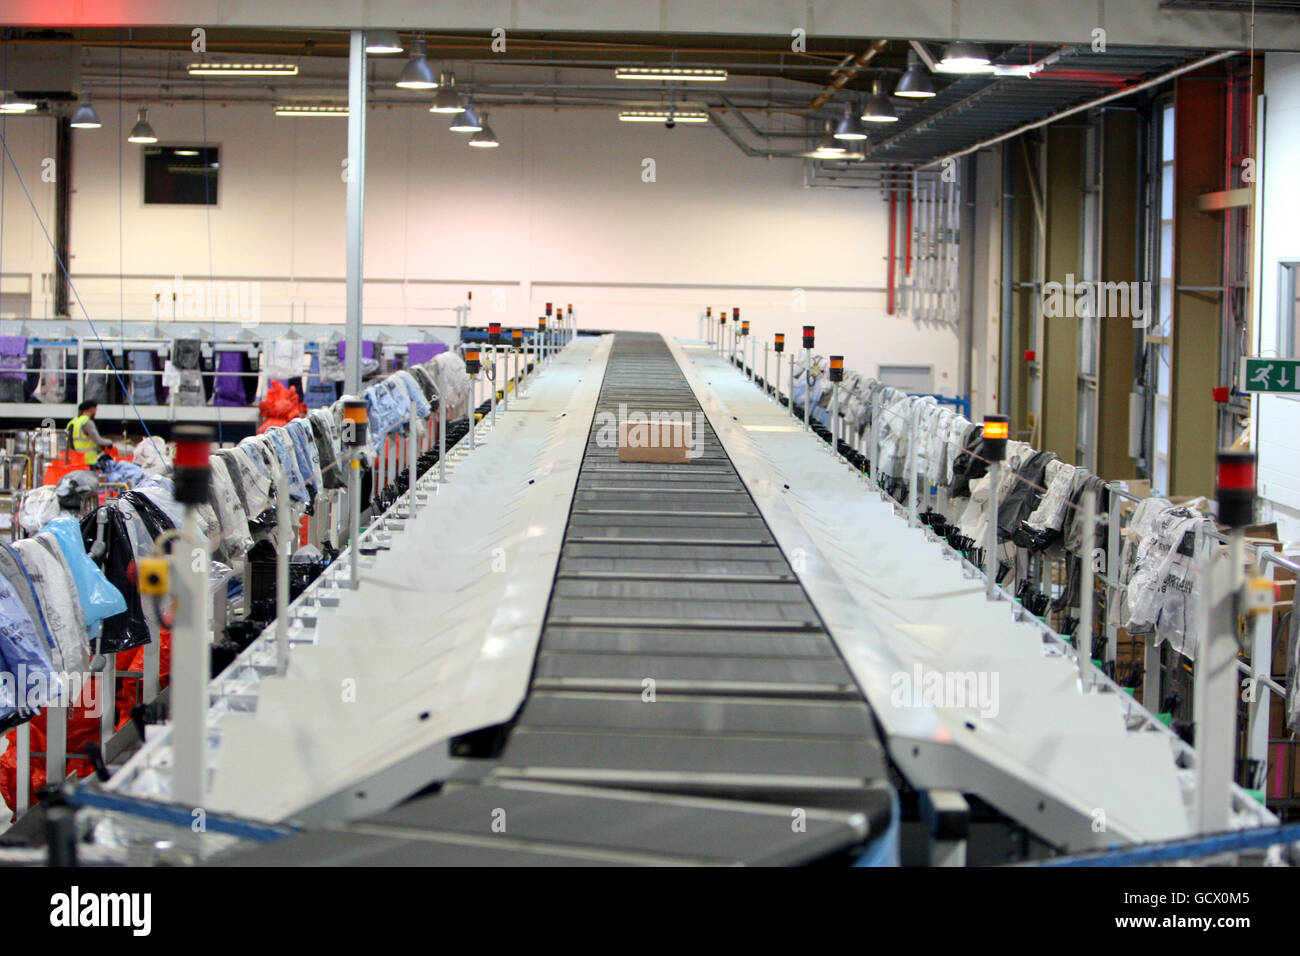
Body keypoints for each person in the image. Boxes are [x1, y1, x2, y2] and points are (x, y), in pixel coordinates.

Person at [67, 400, 114, 469]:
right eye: (95, 410)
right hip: (89, 461)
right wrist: (110, 442)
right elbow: (98, 441)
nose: (95, 413)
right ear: (92, 409)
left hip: (77, 461)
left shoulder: (73, 422)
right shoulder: (87, 422)